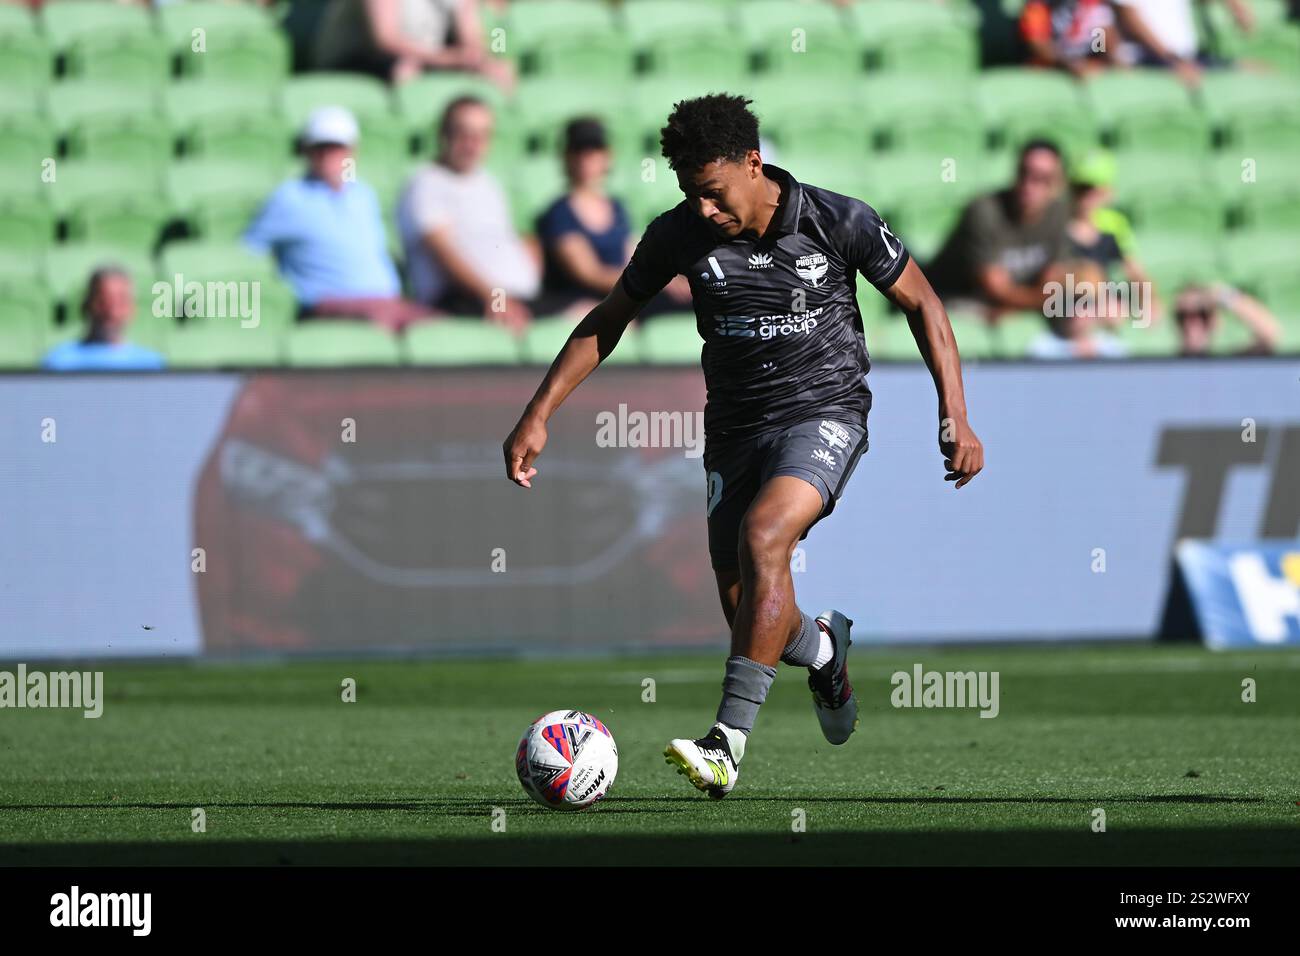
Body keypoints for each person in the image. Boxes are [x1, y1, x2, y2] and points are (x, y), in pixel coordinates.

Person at [501, 94, 984, 799]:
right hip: (732, 431)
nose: (701, 207)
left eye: (711, 191)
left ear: (753, 164)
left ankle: (724, 745)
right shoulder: (679, 234)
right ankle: (823, 651)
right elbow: (609, 318)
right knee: (749, 608)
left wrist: (956, 416)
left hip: (827, 413)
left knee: (766, 539)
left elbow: (923, 303)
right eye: (688, 193)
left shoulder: (837, 218)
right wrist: (537, 413)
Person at [243, 106, 432, 332]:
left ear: (352, 151)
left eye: (336, 148)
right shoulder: (289, 196)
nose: (328, 155)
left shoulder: (363, 194)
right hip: (331, 303)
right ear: (306, 151)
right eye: (320, 148)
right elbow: (250, 250)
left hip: (386, 301)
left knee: (443, 329)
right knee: (380, 324)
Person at [398, 96, 542, 332]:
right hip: (462, 301)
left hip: (513, 297)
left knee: (586, 310)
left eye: (481, 135)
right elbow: (442, 252)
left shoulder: (489, 183)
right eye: (463, 133)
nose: (472, 144)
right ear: (443, 134)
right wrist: (495, 298)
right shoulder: (425, 183)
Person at [535, 117, 693, 319]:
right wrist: (657, 281)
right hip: (585, 299)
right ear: (566, 157)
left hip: (624, 292)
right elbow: (589, 273)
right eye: (578, 151)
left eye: (594, 150)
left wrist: (666, 278)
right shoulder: (558, 213)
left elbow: (633, 254)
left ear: (607, 156)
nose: (586, 158)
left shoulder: (617, 206)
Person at [926, 139, 1071, 321]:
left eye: (1042, 179)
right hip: (955, 297)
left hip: (1007, 305)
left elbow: (1053, 278)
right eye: (1024, 173)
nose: (1029, 185)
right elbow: (995, 288)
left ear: (1058, 184)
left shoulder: (1058, 213)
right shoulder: (985, 211)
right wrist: (1046, 301)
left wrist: (1025, 304)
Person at [313, 0, 514, 89]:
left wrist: (481, 61)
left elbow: (472, 36)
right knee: (405, 71)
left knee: (498, 72)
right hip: (358, 58)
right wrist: (452, 59)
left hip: (427, 57)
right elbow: (385, 39)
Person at [1065, 149, 1160, 326]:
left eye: (1093, 189)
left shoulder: (1115, 224)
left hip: (1106, 306)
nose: (1086, 197)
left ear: (1107, 192)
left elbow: (1135, 271)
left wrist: (1150, 301)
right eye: (1080, 189)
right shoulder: (1057, 224)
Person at [42, 267, 165, 371]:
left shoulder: (150, 365)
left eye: (120, 302)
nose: (111, 312)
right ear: (87, 304)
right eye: (103, 301)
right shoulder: (59, 362)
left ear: (132, 308)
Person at [1028, 260, 1128, 358]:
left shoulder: (1112, 349)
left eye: (1087, 302)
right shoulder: (1042, 350)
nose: (1079, 309)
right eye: (1072, 300)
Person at [1175, 282, 1279, 356]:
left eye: (1203, 315)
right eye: (1183, 316)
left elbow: (1269, 335)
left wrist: (1221, 296)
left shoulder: (1228, 365)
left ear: (1215, 322)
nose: (1192, 323)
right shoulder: (1166, 366)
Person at [1021, 0, 1117, 75]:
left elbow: (1102, 41)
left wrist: (1104, 62)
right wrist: (1072, 63)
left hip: (1087, 73)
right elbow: (1038, 44)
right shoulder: (1038, 4)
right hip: (1047, 74)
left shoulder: (1093, 3)